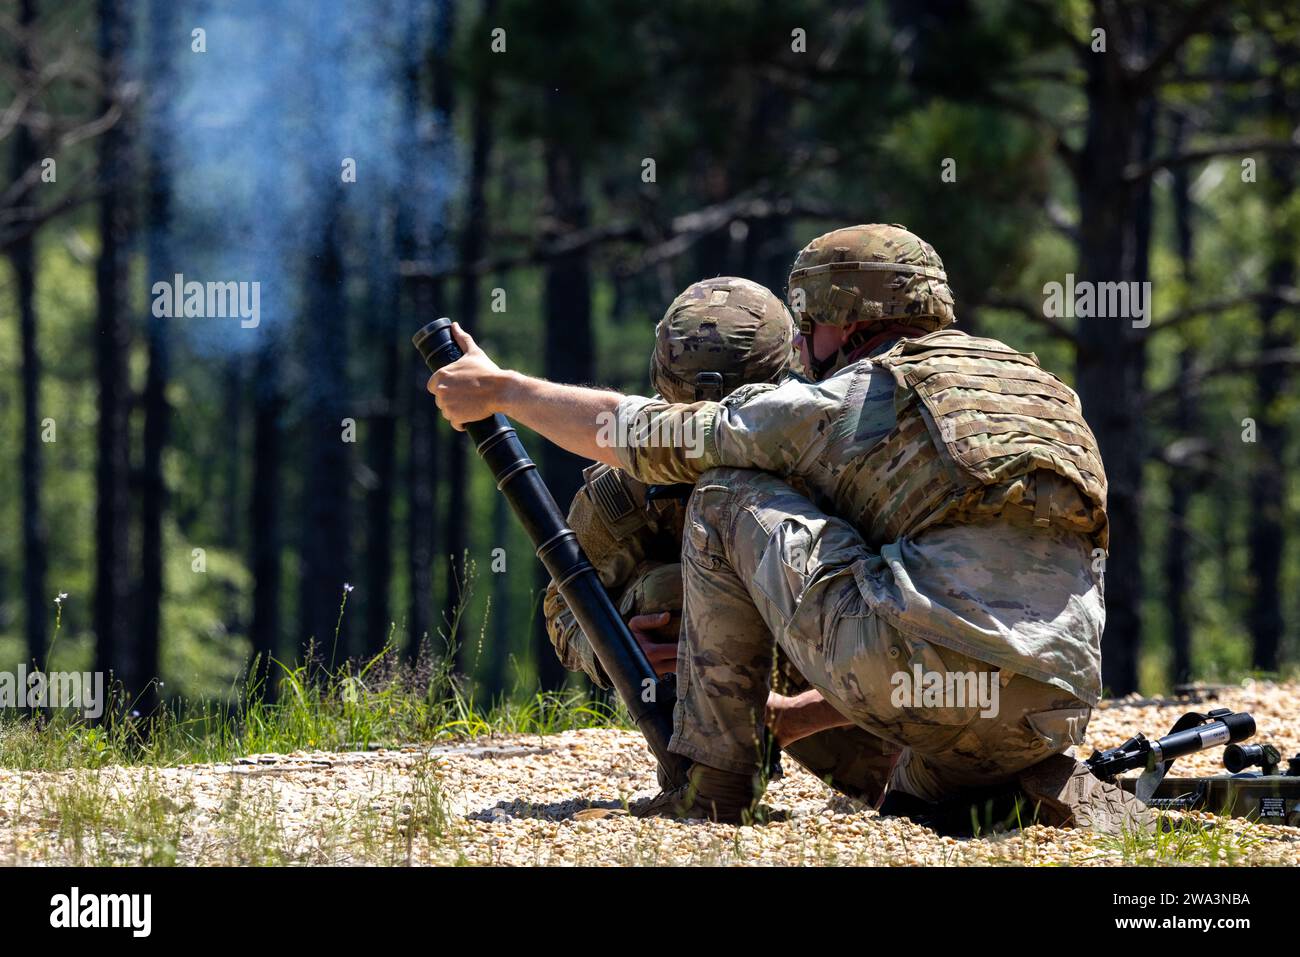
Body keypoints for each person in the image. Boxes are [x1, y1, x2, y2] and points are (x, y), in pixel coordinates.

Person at [427, 224, 1150, 831]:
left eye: (811, 326)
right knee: (924, 809)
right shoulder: (1039, 389)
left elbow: (648, 435)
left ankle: (712, 790)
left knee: (723, 495)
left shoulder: (855, 396)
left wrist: (503, 390)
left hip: (909, 678)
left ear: (848, 322)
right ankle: (1013, 786)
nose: (805, 347)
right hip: (1052, 707)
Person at [543, 276, 899, 802]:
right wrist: (613, 648)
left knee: (921, 787)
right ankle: (707, 775)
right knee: (664, 594)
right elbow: (563, 607)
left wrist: (798, 716)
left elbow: (917, 615)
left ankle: (901, 773)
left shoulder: (841, 462)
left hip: (860, 691)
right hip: (749, 686)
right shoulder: (624, 493)